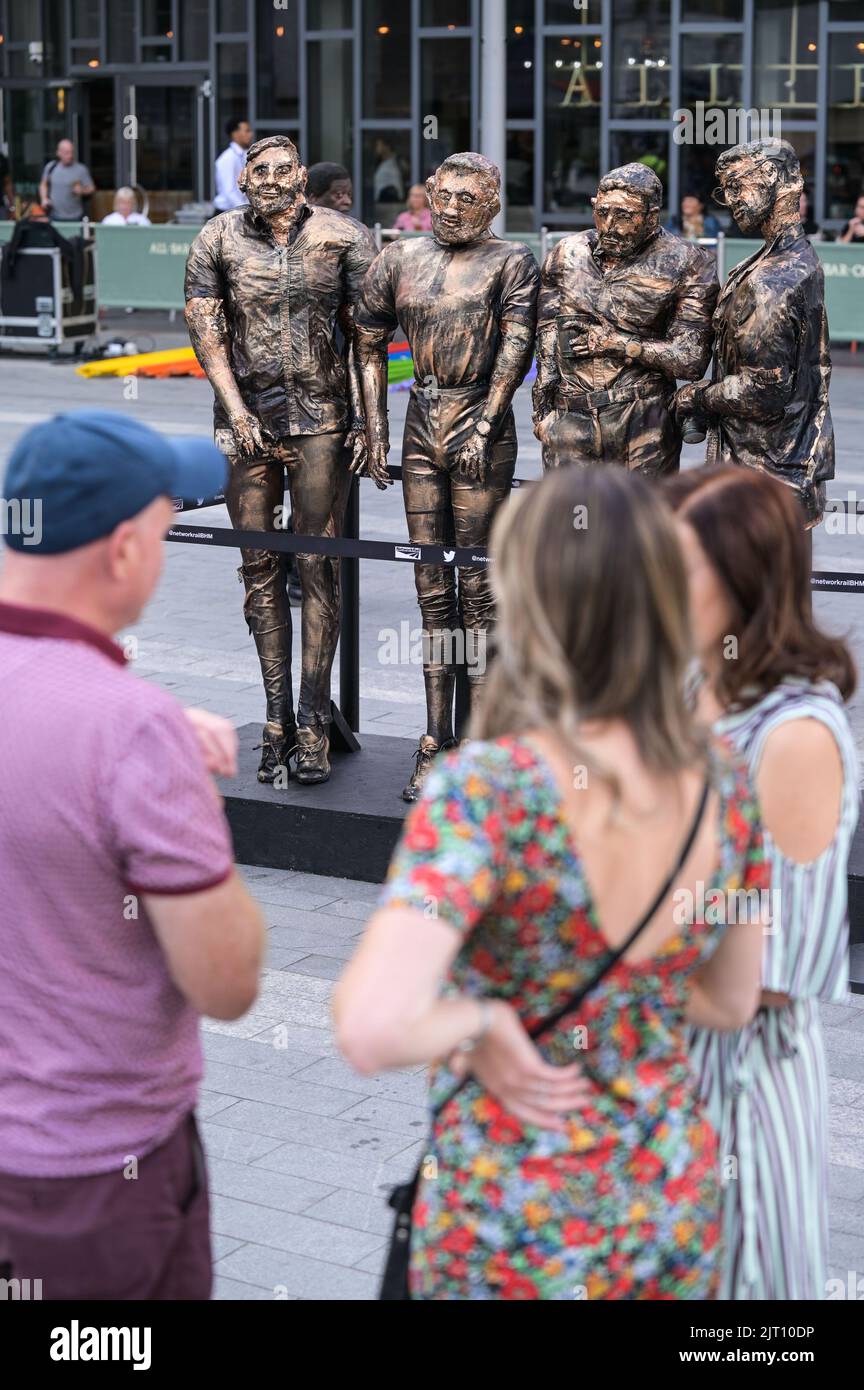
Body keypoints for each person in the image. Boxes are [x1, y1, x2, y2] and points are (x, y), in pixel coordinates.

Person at [334, 465, 768, 1301]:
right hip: (665, 1207)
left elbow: (371, 1028)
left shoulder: (489, 792)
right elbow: (730, 1000)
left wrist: (484, 1019)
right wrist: (621, 999)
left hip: (514, 1221)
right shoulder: (726, 785)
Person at [0, 409, 266, 1300]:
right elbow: (227, 983)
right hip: (91, 1183)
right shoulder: (131, 732)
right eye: (164, 528)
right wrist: (174, 795)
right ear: (121, 552)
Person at [666, 464, 859, 1300]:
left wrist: (584, 963)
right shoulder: (686, 685)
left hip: (740, 1094)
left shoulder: (797, 735)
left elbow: (777, 974)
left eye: (677, 567)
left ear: (742, 581)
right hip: (662, 1085)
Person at [185, 135, 376, 786]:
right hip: (247, 421)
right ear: (243, 182)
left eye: (282, 169)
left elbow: (368, 340)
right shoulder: (216, 238)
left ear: (301, 177)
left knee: (319, 563)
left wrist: (370, 424)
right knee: (259, 565)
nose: (269, 178)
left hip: (322, 416)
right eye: (257, 170)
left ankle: (315, 718)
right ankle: (275, 719)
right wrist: (236, 412)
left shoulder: (345, 237)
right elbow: (204, 329)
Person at [356, 152, 539, 802]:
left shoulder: (512, 260)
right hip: (421, 418)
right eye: (444, 195)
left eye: (467, 196)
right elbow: (368, 338)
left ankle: (483, 747)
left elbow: (518, 344)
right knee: (432, 592)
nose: (452, 206)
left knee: (480, 595)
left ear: (489, 202)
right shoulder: (400, 257)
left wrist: (487, 424)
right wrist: (374, 430)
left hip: (478, 422)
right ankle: (435, 738)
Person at [675, 139, 834, 535]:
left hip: (766, 476)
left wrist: (696, 396)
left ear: (779, 181)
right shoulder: (775, 259)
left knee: (750, 593)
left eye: (738, 185)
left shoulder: (774, 278)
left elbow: (762, 390)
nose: (730, 200)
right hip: (770, 468)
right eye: (724, 189)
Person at [533, 162, 718, 475]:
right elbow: (547, 332)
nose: (610, 226)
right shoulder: (567, 253)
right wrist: (542, 416)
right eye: (602, 212)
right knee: (570, 523)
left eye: (624, 216)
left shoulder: (688, 262)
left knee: (639, 522)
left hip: (643, 422)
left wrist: (618, 344)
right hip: (570, 420)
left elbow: (692, 359)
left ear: (651, 216)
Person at [38, 139, 95, 221]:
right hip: (54, 215)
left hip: (75, 216)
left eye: (71, 152)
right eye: (66, 153)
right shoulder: (51, 167)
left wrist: (82, 191)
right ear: (59, 153)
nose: (70, 155)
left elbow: (91, 188)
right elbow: (43, 184)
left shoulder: (81, 169)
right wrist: (44, 198)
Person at [213, 118, 253, 213]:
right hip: (226, 212)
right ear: (235, 134)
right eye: (247, 131)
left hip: (237, 210)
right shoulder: (227, 158)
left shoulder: (244, 154)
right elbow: (230, 192)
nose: (251, 134)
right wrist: (247, 212)